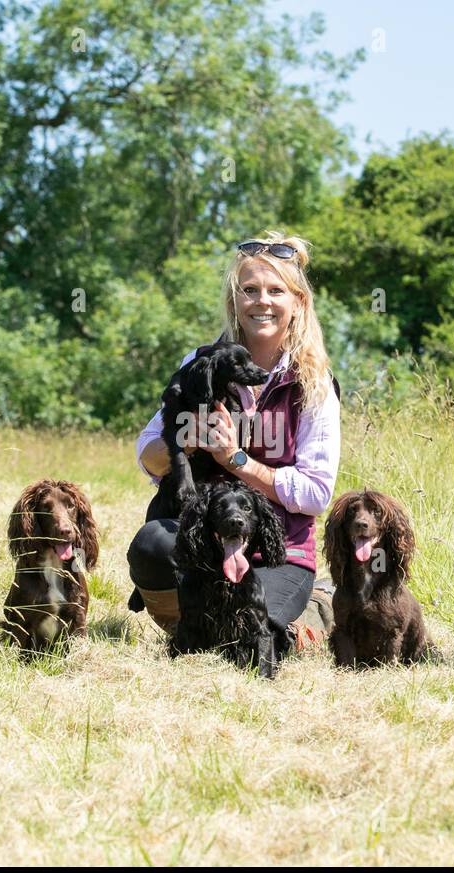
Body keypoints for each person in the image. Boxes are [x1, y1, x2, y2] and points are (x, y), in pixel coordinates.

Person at [128, 233, 340, 650]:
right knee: (153, 543)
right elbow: (148, 456)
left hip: (279, 551)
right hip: (205, 544)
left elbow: (316, 493)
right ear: (235, 301)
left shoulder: (314, 383)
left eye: (276, 290)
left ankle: (314, 607)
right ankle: (189, 626)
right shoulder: (200, 364)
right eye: (250, 290)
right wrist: (184, 444)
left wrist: (235, 458)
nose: (262, 301)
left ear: (298, 302)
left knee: (257, 640)